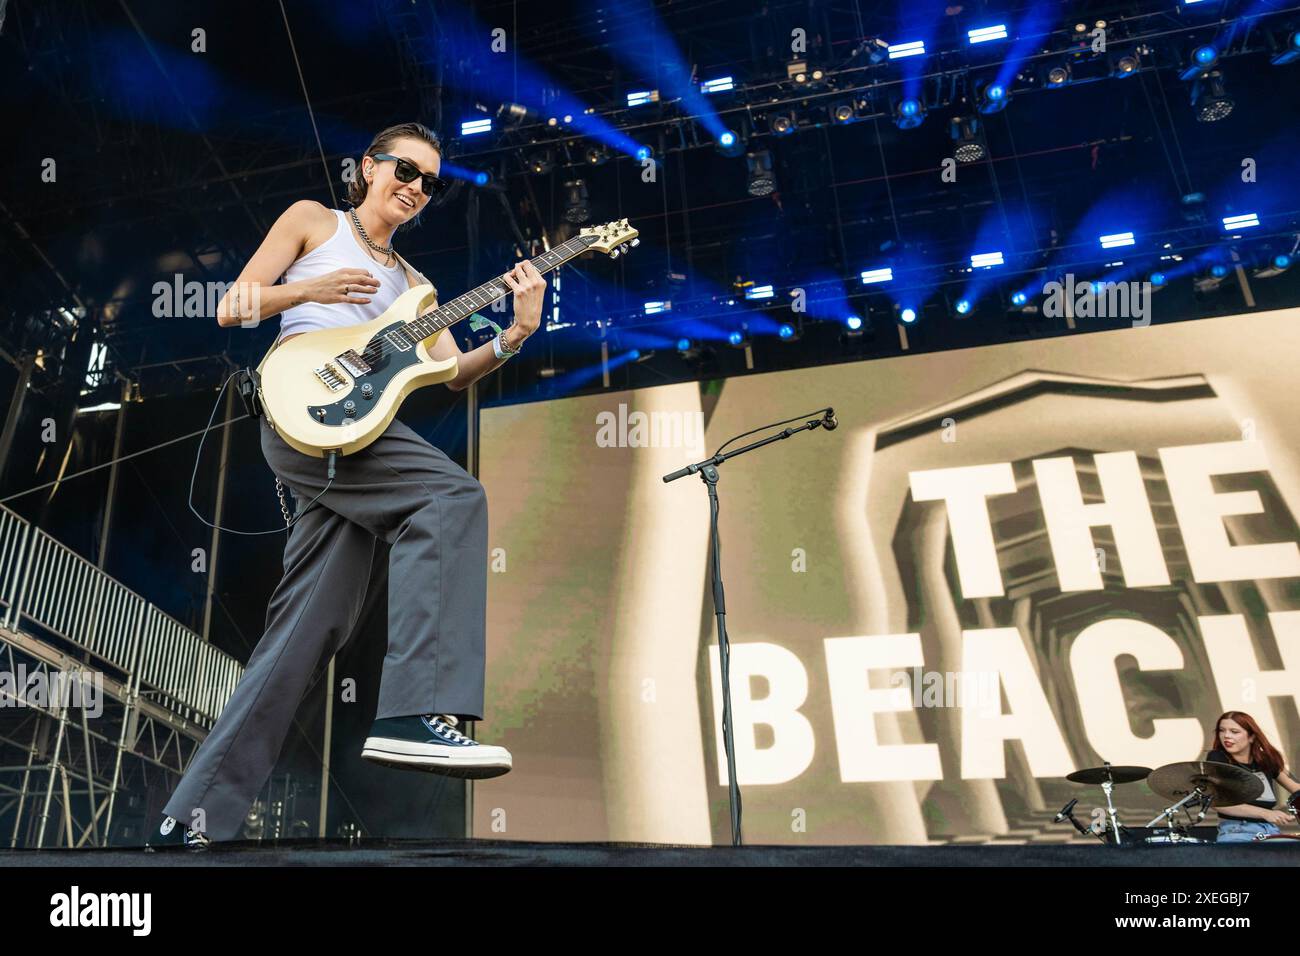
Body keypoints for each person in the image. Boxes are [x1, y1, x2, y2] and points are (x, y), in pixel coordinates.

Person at [150, 122, 545, 849]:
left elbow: (452, 375)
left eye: (430, 182)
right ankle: (412, 711)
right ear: (368, 168)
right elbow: (231, 305)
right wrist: (317, 285)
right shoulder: (312, 221)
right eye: (405, 170)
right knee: (452, 496)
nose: (416, 188)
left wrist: (514, 335)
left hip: (358, 439)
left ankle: (193, 817)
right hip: (302, 413)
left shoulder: (419, 288)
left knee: (302, 635)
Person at [1205, 710, 1299, 843]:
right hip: (1237, 830)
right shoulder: (1217, 758)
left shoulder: (1265, 759)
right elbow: (1218, 802)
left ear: (1251, 737)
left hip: (1271, 830)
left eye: (1234, 731)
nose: (1226, 736)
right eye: (1222, 730)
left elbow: (1296, 788)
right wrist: (1266, 813)